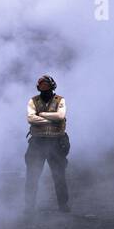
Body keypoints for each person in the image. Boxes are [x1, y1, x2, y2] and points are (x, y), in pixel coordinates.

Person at [24, 74, 70, 212]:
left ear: (52, 87)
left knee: (59, 176)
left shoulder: (60, 100)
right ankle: (29, 206)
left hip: (56, 142)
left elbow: (60, 116)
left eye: (47, 86)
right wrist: (52, 119)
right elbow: (31, 119)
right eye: (42, 86)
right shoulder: (33, 101)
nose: (44, 88)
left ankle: (63, 205)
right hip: (37, 143)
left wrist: (41, 115)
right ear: (38, 88)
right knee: (32, 176)